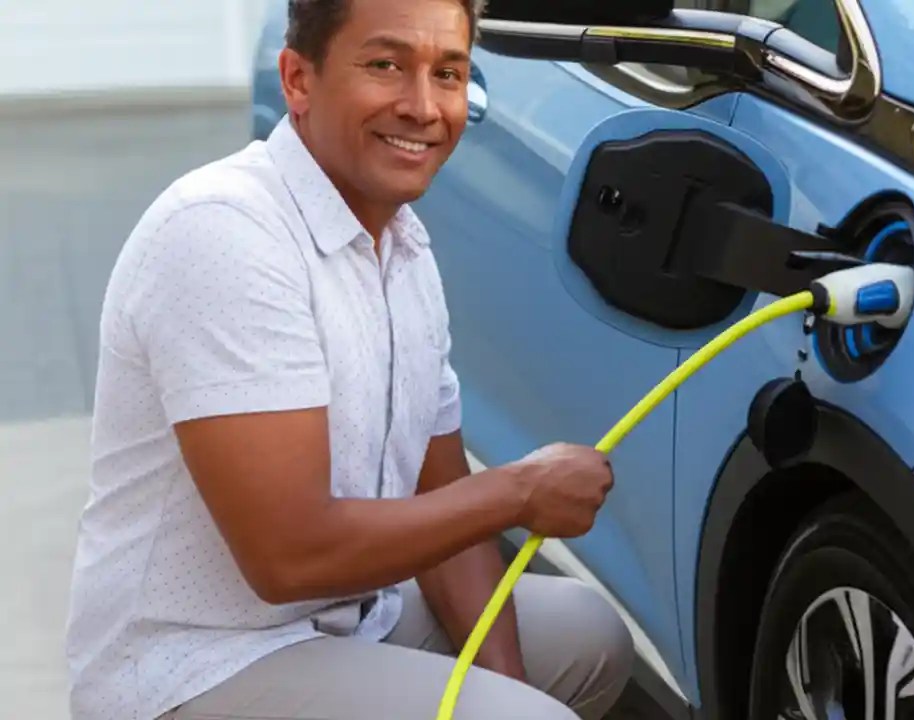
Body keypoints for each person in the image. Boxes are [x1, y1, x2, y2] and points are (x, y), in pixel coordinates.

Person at [63, 0, 634, 718]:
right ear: (298, 80)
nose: (424, 107)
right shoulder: (224, 234)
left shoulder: (404, 250)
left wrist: (503, 690)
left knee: (590, 637)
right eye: (386, 65)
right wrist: (520, 492)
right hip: (194, 665)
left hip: (349, 619)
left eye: (449, 73)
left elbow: (443, 510)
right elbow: (290, 558)